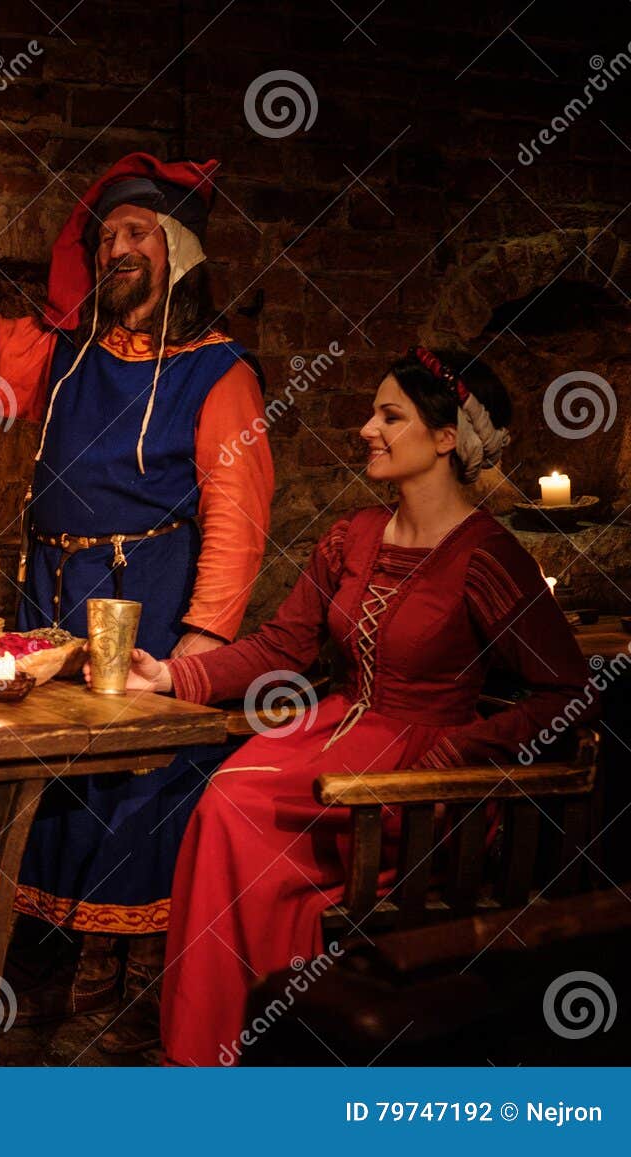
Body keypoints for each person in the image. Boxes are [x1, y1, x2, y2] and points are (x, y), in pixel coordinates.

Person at [0, 152, 274, 1044]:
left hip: (152, 614)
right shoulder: (61, 360)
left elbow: (237, 521)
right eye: (107, 237)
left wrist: (192, 660)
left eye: (138, 233)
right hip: (51, 611)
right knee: (56, 795)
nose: (118, 248)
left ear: (178, 249)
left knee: (138, 797)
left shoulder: (220, 375)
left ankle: (129, 996)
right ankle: (60, 974)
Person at [118, 349, 595, 1066]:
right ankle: (206, 1053)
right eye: (373, 411)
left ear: (444, 438)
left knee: (240, 819)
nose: (367, 428)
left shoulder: (488, 555)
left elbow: (570, 691)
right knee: (222, 799)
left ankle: (277, 1048)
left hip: (420, 770)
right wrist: (173, 676)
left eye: (390, 415)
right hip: (336, 727)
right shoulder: (355, 535)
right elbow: (283, 644)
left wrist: (469, 746)